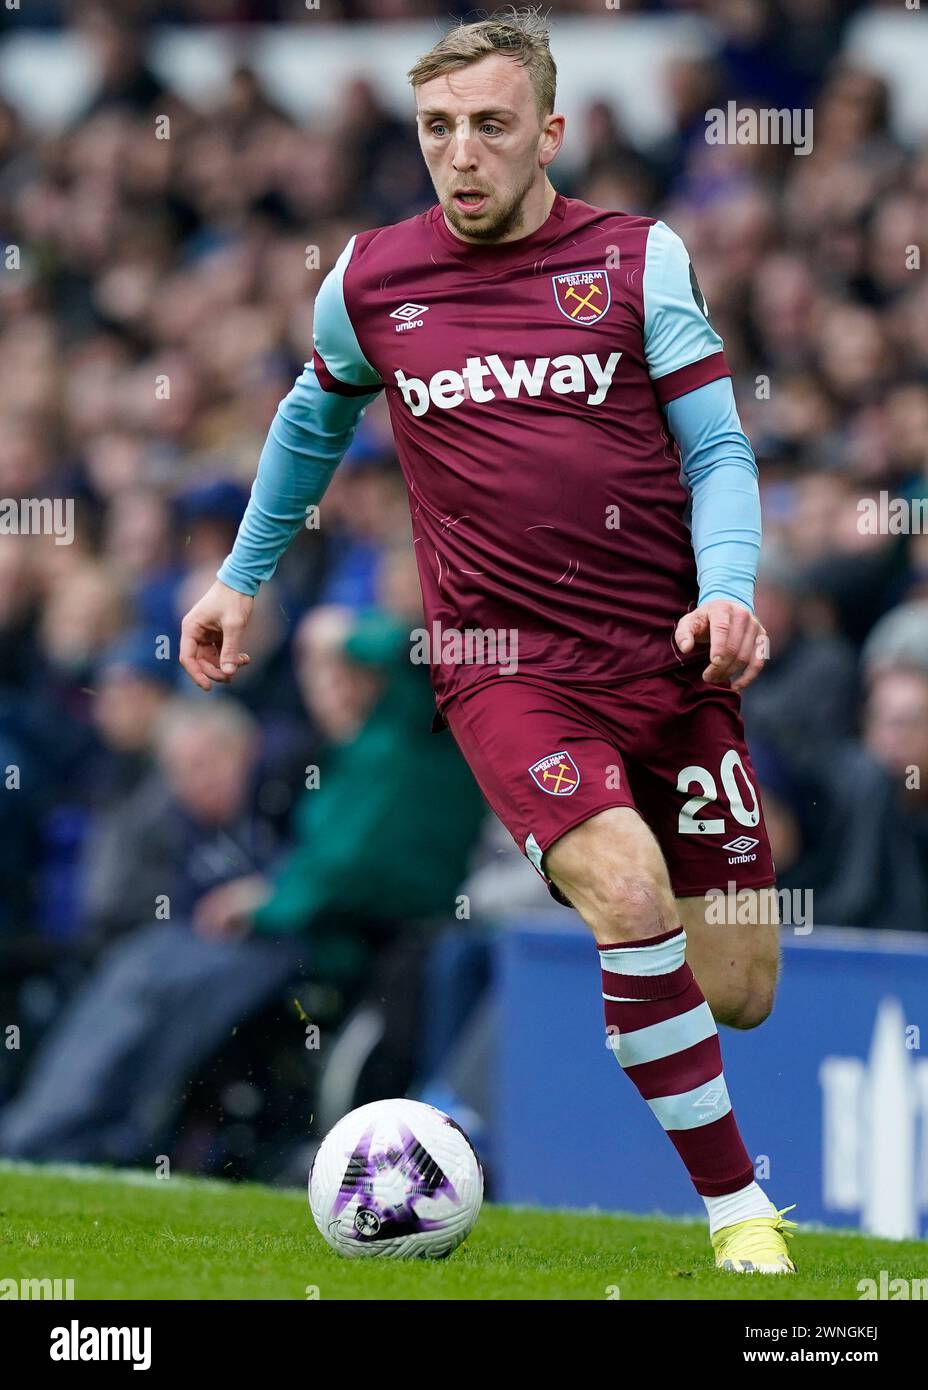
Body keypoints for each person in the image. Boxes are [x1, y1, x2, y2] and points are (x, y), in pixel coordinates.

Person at [180, 10, 794, 1273]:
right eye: (439, 129)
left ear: (550, 133)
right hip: (504, 672)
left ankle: (643, 1000)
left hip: (671, 663)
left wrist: (727, 589)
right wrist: (242, 579)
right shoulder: (370, 279)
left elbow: (719, 449)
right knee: (627, 896)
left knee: (737, 985)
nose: (461, 154)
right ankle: (741, 1216)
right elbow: (308, 425)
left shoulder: (636, 261)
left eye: (491, 127)